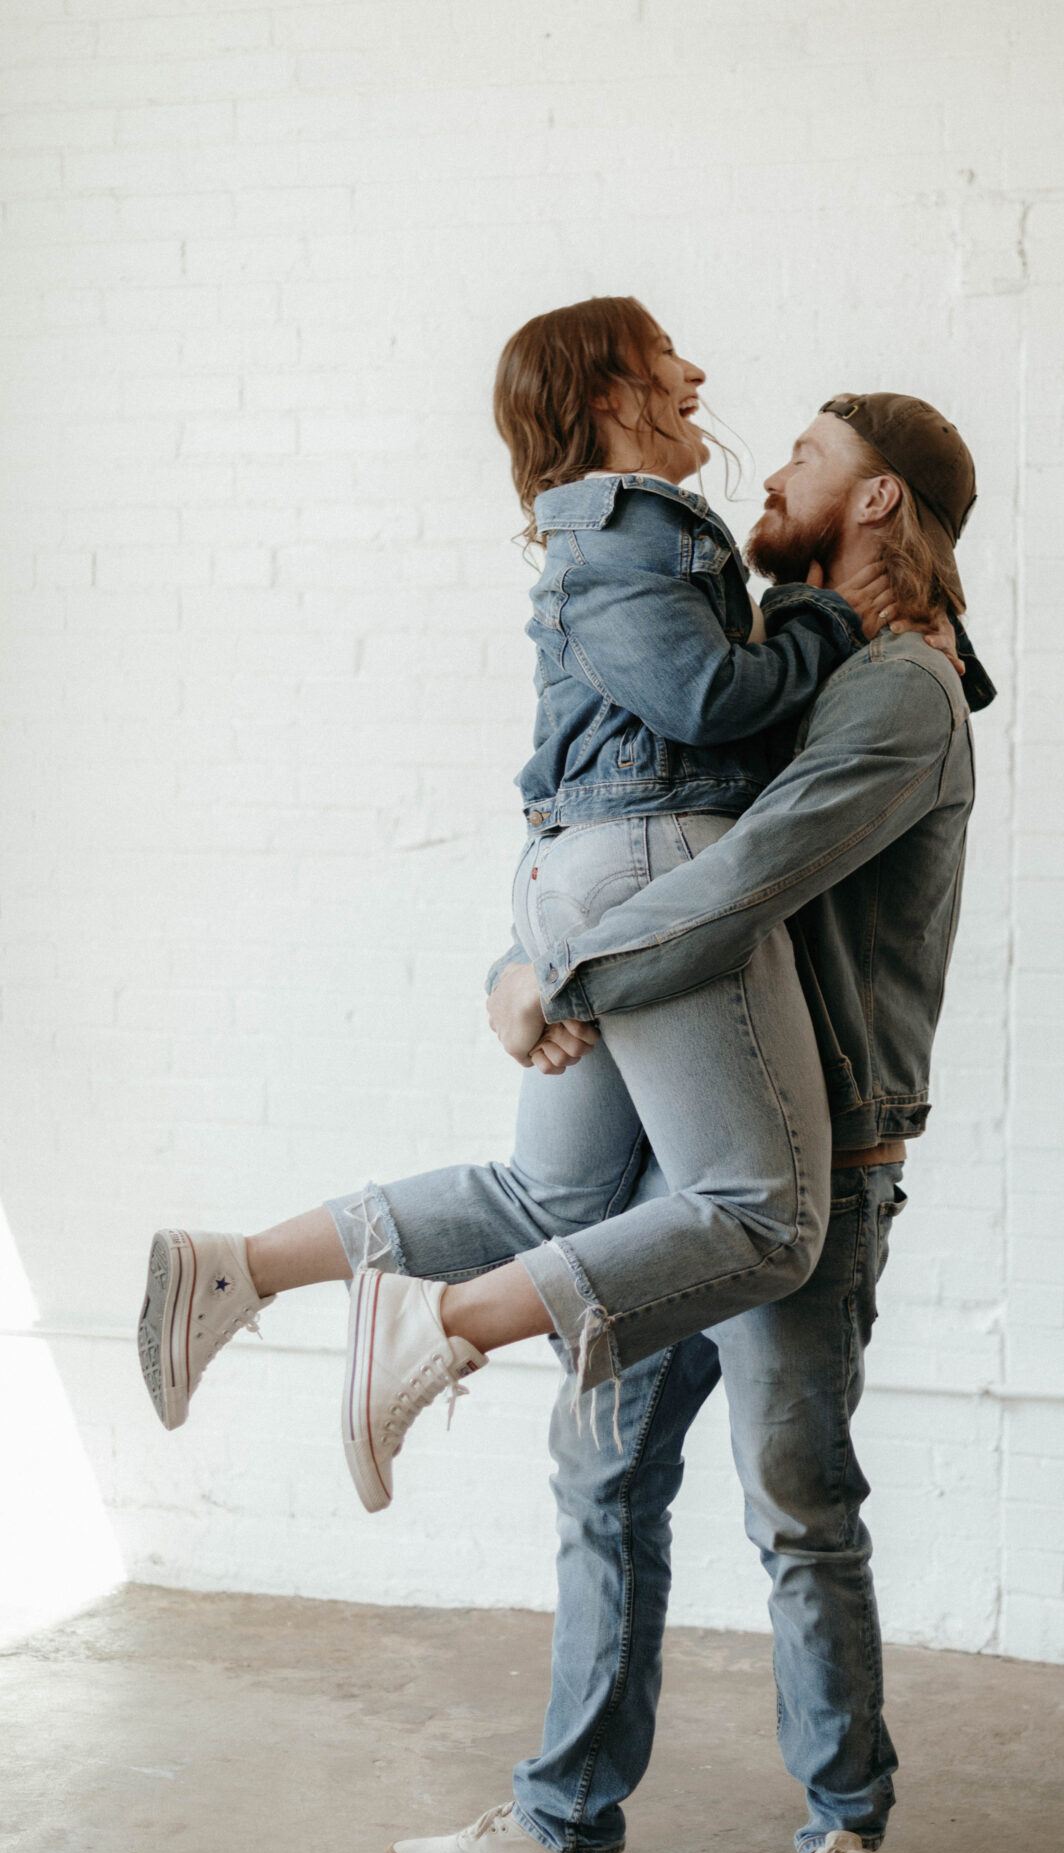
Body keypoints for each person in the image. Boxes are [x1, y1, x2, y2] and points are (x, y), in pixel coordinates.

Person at [379, 394, 990, 1853]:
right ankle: (570, 1820)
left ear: (875, 506)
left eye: (805, 454)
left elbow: (742, 875)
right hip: (676, 1158)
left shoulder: (899, 697)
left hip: (810, 1175)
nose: (767, 468)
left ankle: (843, 1827)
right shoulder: (781, 662)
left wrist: (551, 968)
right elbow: (638, 810)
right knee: (601, 1487)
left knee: (794, 1508)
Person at [137, 297, 916, 1516]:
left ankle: (234, 1269)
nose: (695, 373)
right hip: (651, 862)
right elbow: (709, 699)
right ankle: (436, 1321)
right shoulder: (627, 532)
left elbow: (583, 761)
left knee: (543, 1197)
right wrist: (819, 620)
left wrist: (538, 945)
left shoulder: (605, 544)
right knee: (766, 1219)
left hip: (587, 863)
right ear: (610, 390)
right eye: (667, 358)